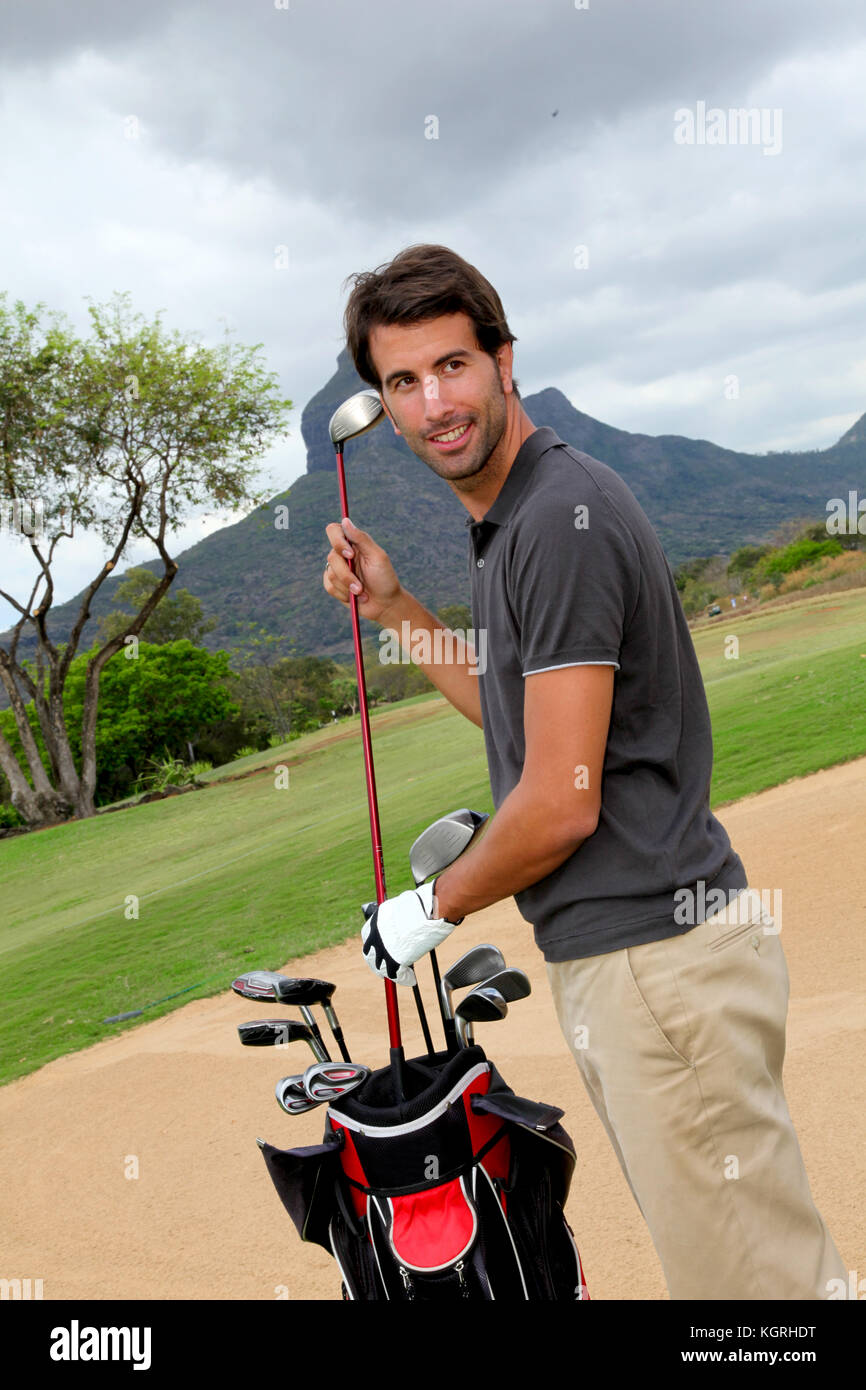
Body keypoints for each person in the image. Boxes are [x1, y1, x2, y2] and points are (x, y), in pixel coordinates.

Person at [322, 243, 846, 1300]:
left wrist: (430, 907)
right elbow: (526, 721)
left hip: (654, 960)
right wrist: (397, 611)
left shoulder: (556, 524)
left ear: (503, 361)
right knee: (748, 1264)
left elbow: (558, 802)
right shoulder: (519, 519)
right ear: (382, 402)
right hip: (646, 959)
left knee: (756, 1293)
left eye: (452, 366)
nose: (434, 403)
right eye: (402, 383)